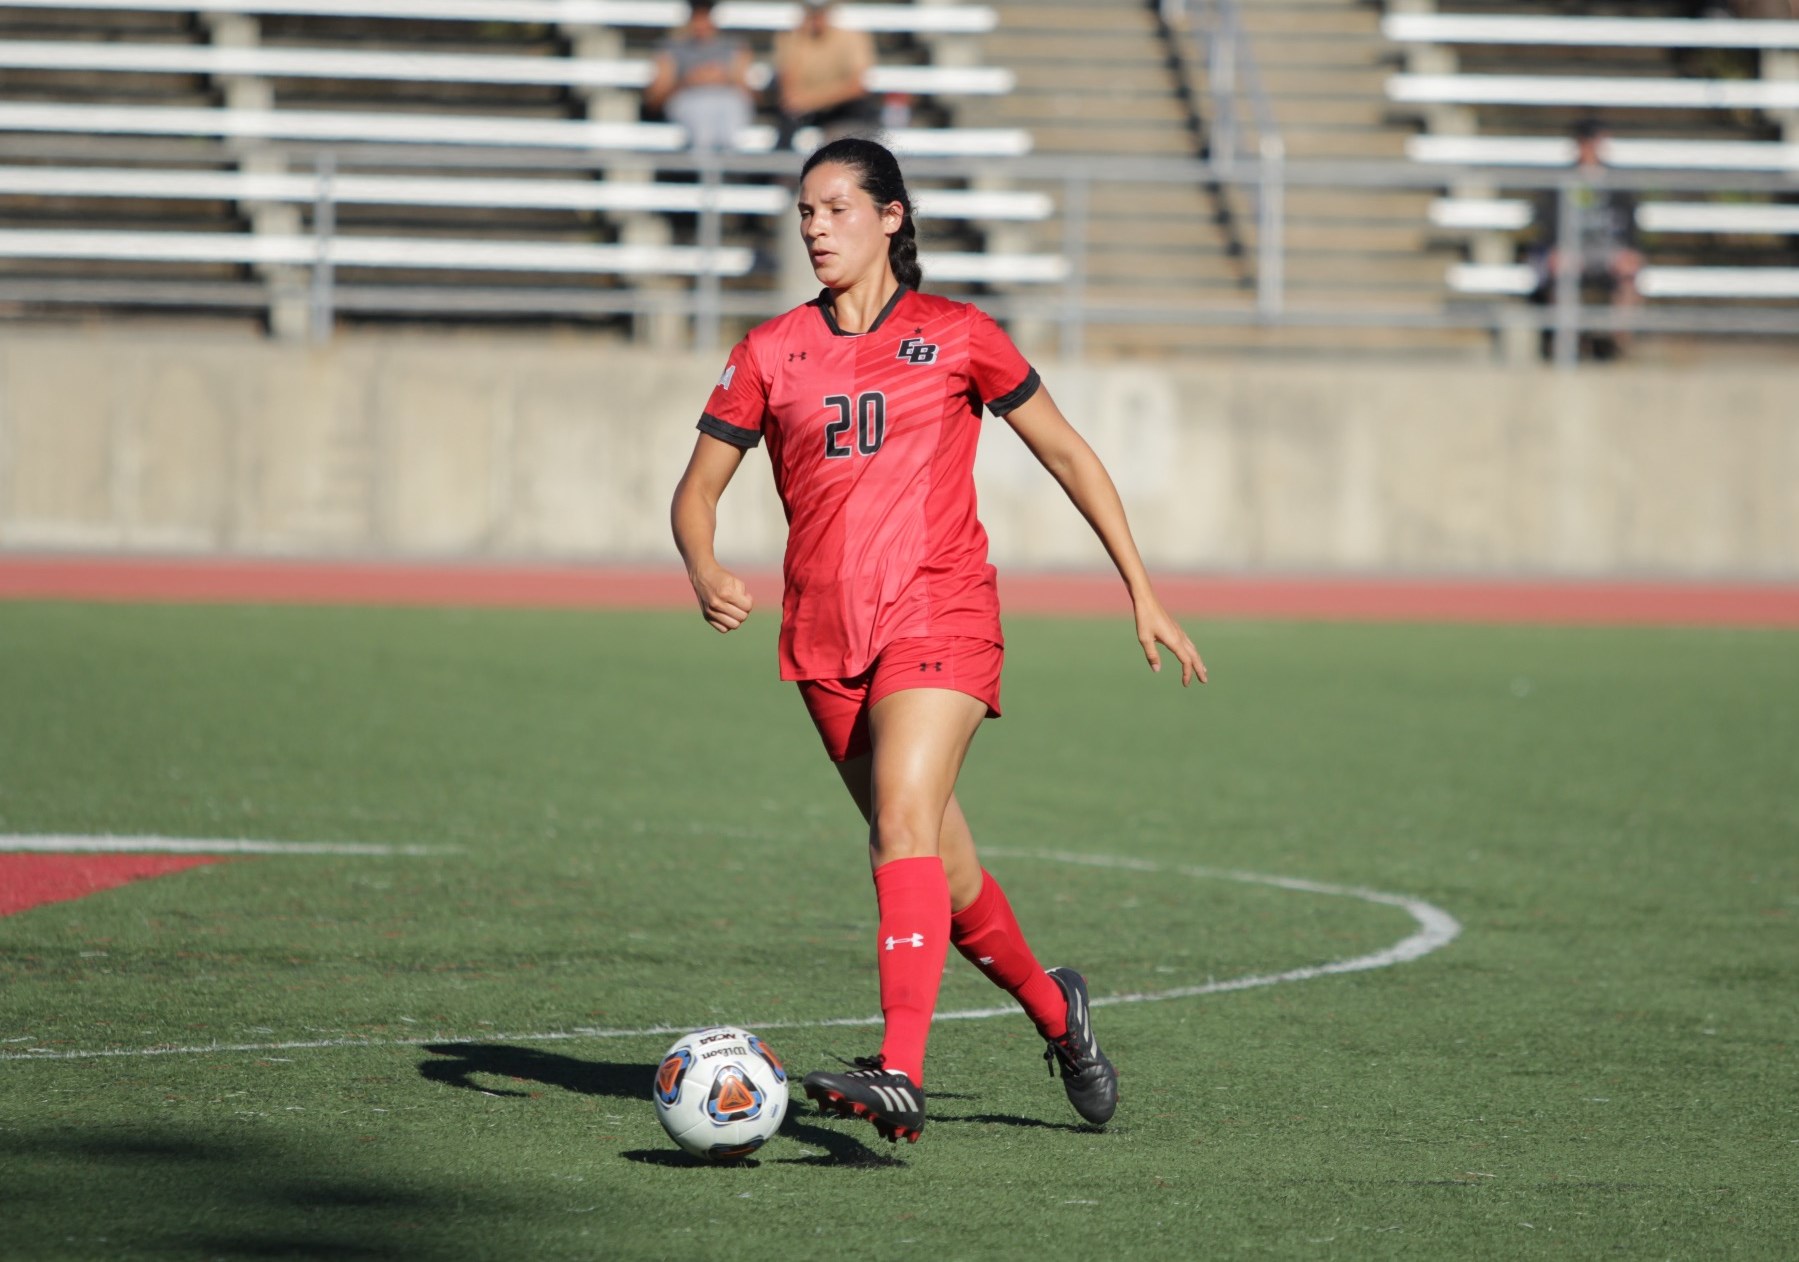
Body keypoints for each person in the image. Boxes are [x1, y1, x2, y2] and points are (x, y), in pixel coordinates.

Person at [670, 138, 1206, 1145]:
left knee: (899, 820)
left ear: (890, 217)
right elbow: (695, 491)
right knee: (942, 872)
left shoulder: (958, 334)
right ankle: (1058, 1012)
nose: (814, 227)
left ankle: (900, 1068)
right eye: (803, 212)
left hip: (939, 611)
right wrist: (703, 566)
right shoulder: (766, 350)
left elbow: (1064, 451)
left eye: (834, 208)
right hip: (824, 638)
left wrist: (1140, 588)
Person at [1532, 119, 1643, 355]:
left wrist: (1631, 252)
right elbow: (1546, 224)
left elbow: (1631, 225)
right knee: (1561, 267)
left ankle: (1618, 343)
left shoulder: (1618, 182)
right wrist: (1555, 250)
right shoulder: (1560, 181)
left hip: (1606, 251)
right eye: (1591, 143)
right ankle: (1569, 343)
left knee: (1629, 271)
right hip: (1572, 250)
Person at [644, 0, 755, 151]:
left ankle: (728, 170)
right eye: (697, 17)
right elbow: (655, 98)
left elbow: (749, 93)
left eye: (704, 17)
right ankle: (708, 172)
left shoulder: (735, 47)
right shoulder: (671, 48)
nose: (701, 24)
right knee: (703, 130)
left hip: (726, 100)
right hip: (689, 100)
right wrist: (689, 81)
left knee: (729, 125)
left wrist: (723, 79)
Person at [772, 0, 881, 151]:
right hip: (809, 111)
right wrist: (800, 41)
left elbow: (857, 87)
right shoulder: (793, 39)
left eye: (820, 12)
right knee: (788, 120)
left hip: (840, 108)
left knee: (859, 118)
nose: (816, 17)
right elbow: (789, 92)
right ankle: (779, 168)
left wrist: (810, 100)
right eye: (812, 12)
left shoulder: (850, 38)